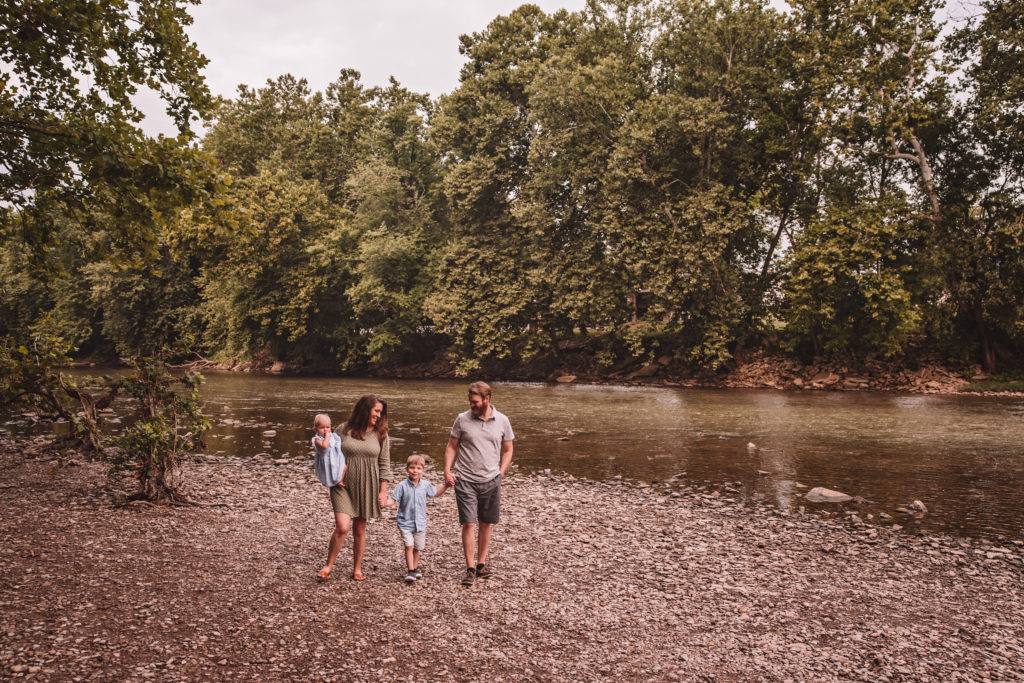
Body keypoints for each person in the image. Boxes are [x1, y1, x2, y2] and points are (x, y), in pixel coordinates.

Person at [443, 381, 514, 587]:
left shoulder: (502, 420)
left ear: (487, 399)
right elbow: (451, 446)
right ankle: (470, 568)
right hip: (465, 479)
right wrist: (447, 470)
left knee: (485, 523)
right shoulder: (462, 419)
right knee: (468, 523)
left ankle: (481, 564)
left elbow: (508, 449)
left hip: (491, 479)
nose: (472, 405)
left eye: (475, 402)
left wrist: (501, 472)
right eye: (470, 402)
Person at [316, 394, 391, 582]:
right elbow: (328, 453)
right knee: (342, 527)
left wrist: (383, 492)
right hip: (341, 484)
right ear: (365, 409)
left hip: (367, 484)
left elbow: (384, 464)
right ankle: (328, 566)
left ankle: (357, 568)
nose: (378, 416)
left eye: (381, 412)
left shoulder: (381, 434)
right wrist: (329, 475)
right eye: (376, 411)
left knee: (359, 528)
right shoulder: (344, 429)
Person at [390, 454, 449, 583]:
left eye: (418, 468)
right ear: (407, 469)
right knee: (409, 546)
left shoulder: (425, 485)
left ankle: (415, 568)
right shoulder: (402, 486)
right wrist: (384, 502)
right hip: (405, 522)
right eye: (412, 468)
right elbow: (393, 499)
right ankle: (410, 571)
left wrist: (446, 486)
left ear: (423, 470)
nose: (415, 471)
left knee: (417, 547)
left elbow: (435, 494)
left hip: (420, 523)